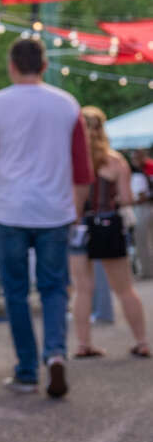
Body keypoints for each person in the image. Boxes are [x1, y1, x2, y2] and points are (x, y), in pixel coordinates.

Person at [0, 37, 91, 399]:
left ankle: (26, 370)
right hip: (54, 210)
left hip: (8, 208)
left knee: (16, 292)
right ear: (44, 66)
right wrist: (75, 211)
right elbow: (82, 169)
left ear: (12, 65)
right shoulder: (67, 105)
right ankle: (55, 353)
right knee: (55, 288)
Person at [70, 105, 149, 359]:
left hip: (78, 227)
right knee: (125, 288)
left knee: (82, 289)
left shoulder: (70, 160)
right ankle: (142, 341)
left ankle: (83, 344)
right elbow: (125, 199)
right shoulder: (115, 161)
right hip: (108, 224)